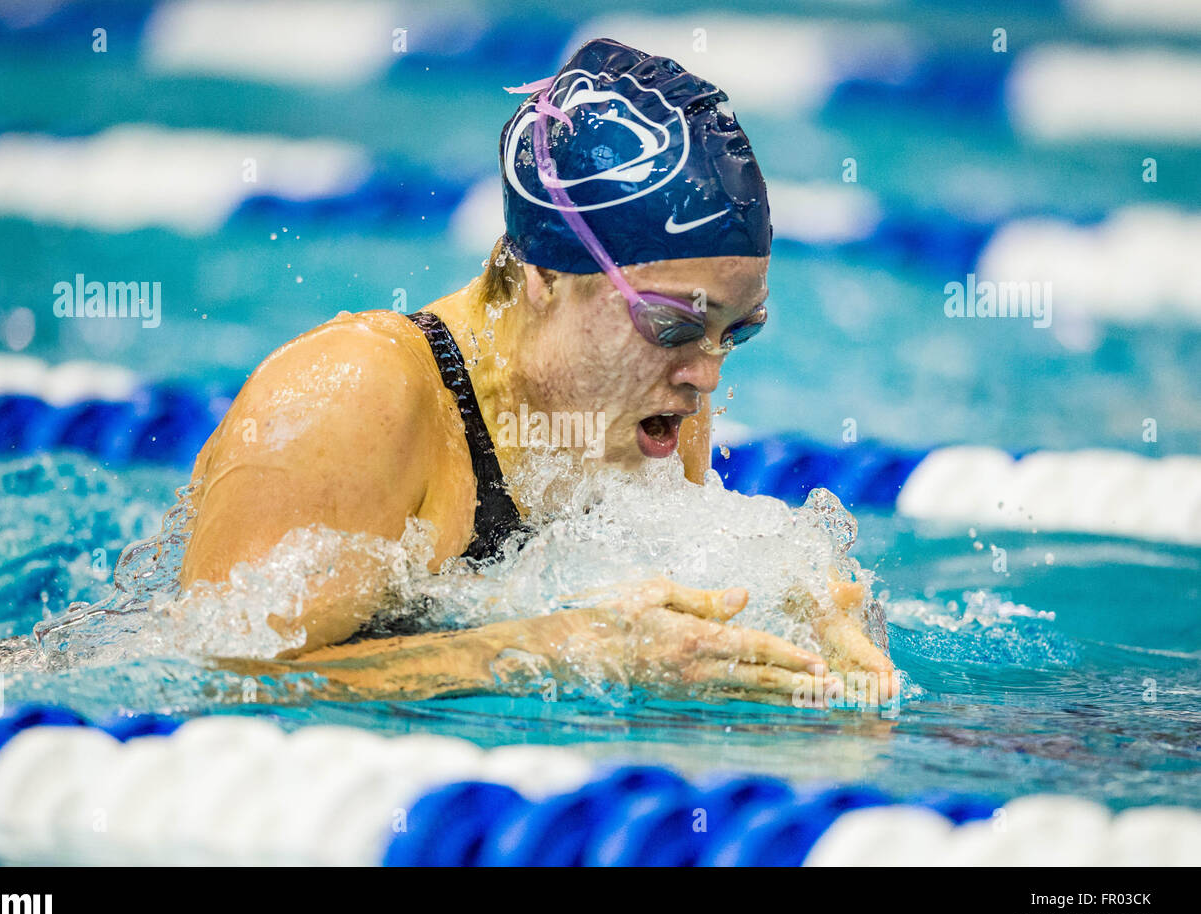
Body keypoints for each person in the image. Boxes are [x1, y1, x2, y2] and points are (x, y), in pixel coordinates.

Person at [181, 38, 895, 704]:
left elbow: (664, 611)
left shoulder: (661, 402)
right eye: (671, 325)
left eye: (733, 333)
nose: (705, 378)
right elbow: (215, 680)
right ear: (545, 275)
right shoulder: (359, 396)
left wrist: (795, 612)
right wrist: (550, 649)